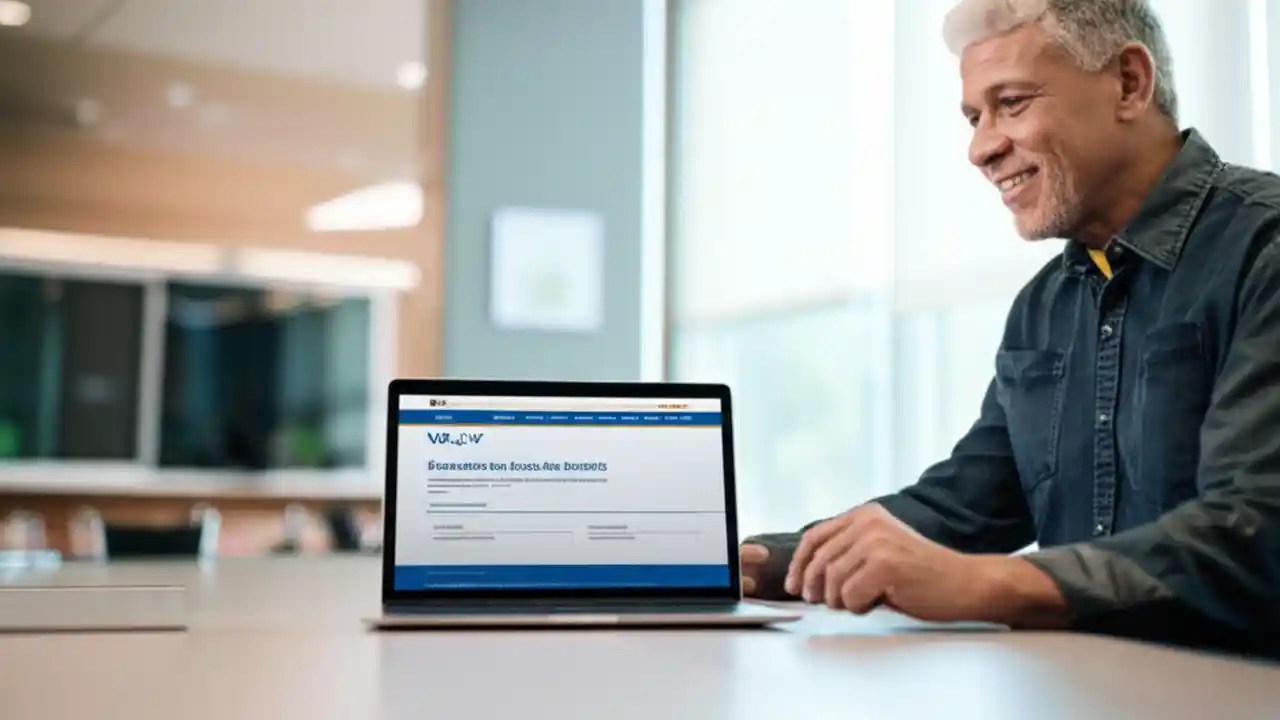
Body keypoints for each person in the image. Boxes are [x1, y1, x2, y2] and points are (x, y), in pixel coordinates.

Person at [742, 0, 1280, 652]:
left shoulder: (1264, 248)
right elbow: (966, 505)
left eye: (1013, 103)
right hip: (1093, 690)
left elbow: (1254, 531)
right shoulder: (1043, 305)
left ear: (1129, 84)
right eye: (974, 117)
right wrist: (776, 561)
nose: (981, 147)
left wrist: (985, 585)